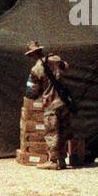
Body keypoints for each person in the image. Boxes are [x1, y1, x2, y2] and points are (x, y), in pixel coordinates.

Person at [24, 41, 69, 169]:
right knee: (63, 131)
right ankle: (62, 160)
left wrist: (31, 96)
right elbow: (67, 67)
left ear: (32, 54)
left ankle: (53, 161)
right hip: (65, 102)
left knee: (51, 133)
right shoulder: (55, 59)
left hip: (51, 104)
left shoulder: (36, 69)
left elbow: (32, 91)